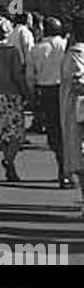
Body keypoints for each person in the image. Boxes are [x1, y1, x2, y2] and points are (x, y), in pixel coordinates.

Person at [0, 17, 31, 181]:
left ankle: (8, 160)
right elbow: (17, 75)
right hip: (11, 94)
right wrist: (26, 93)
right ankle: (9, 160)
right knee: (16, 133)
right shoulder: (12, 51)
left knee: (2, 133)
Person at [27, 17, 68, 186]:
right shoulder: (66, 46)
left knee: (54, 131)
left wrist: (31, 96)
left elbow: (30, 76)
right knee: (69, 129)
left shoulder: (36, 49)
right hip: (65, 90)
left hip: (46, 92)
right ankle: (69, 167)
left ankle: (62, 166)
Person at [59, 15, 84, 217]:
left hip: (78, 112)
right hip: (77, 111)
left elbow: (78, 82)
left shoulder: (75, 54)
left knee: (80, 156)